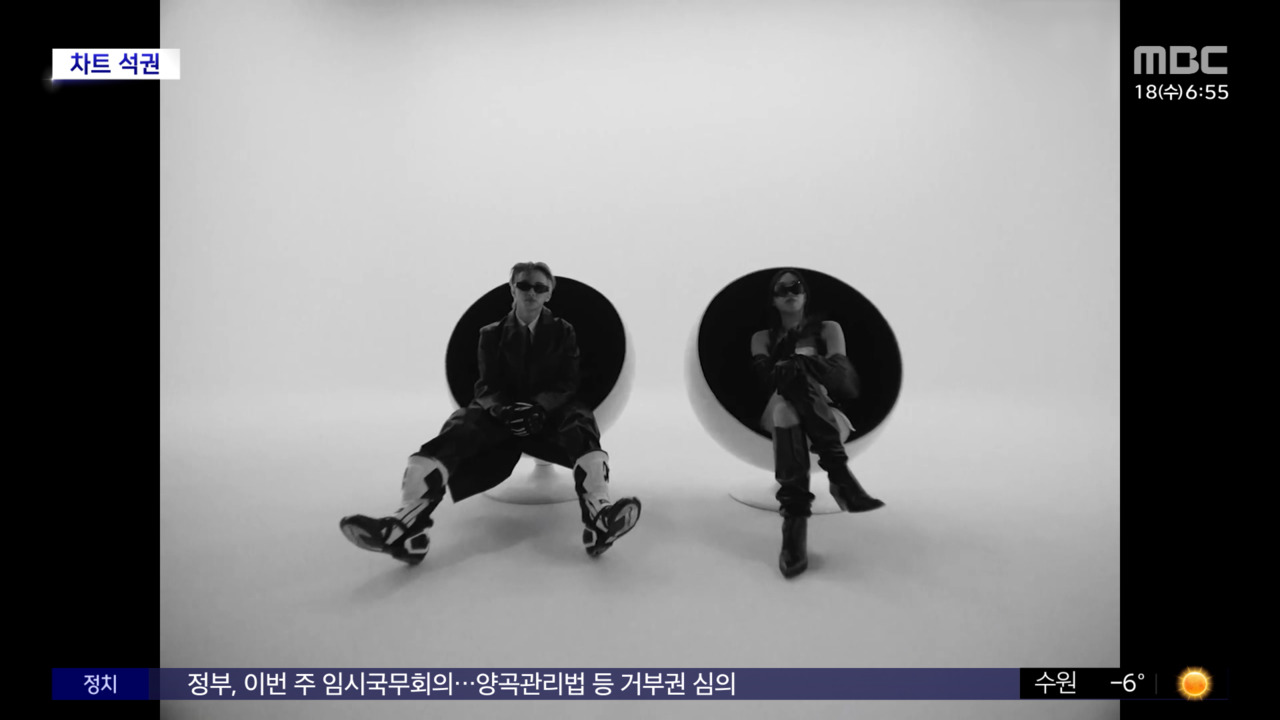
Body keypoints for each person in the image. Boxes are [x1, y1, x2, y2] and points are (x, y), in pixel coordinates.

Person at [340, 262, 641, 566]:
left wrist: (539, 408)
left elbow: (568, 382)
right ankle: (403, 525)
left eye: (540, 288)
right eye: (524, 285)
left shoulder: (563, 331)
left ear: (549, 294)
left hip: (551, 411)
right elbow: (486, 385)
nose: (531, 293)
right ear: (512, 288)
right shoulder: (491, 334)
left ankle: (600, 516)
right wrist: (504, 411)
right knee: (460, 425)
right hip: (502, 412)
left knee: (579, 419)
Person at [750, 268, 885, 578]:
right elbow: (766, 378)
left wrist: (801, 363)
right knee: (785, 404)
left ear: (805, 293)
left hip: (828, 412)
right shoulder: (762, 338)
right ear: (773, 299)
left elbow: (842, 378)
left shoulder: (828, 330)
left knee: (790, 402)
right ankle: (839, 476)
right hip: (776, 408)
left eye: (795, 286)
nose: (789, 293)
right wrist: (798, 366)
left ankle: (793, 531)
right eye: (781, 289)